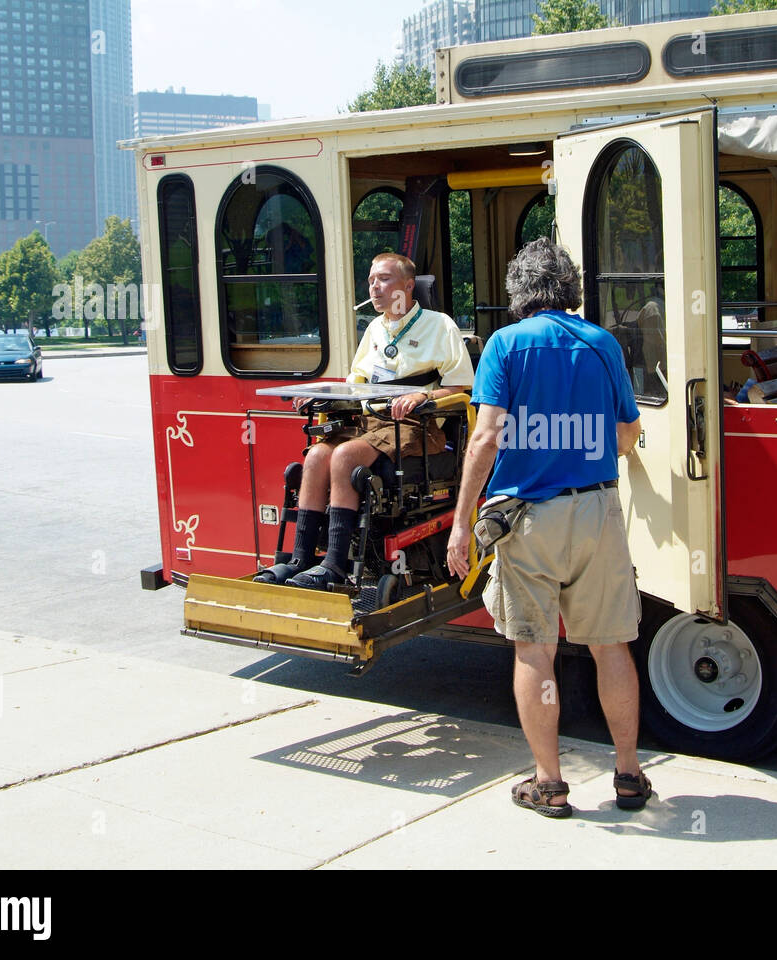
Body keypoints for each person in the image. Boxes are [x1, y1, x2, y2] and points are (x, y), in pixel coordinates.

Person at [445, 239, 650, 818]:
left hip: (527, 518)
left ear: (519, 291)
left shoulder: (505, 345)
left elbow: (485, 438)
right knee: (611, 645)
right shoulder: (602, 342)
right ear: (570, 288)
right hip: (597, 513)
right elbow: (627, 434)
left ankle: (550, 784)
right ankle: (630, 775)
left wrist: (461, 524)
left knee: (534, 648)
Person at [255, 252, 474, 589]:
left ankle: (334, 565)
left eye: (384, 279)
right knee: (315, 456)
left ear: (408, 285)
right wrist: (321, 394)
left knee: (345, 456)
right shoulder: (374, 329)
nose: (375, 287)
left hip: (417, 425)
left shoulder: (439, 324)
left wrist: (422, 397)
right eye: (371, 280)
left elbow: (461, 387)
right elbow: (355, 383)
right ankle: (299, 559)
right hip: (370, 423)